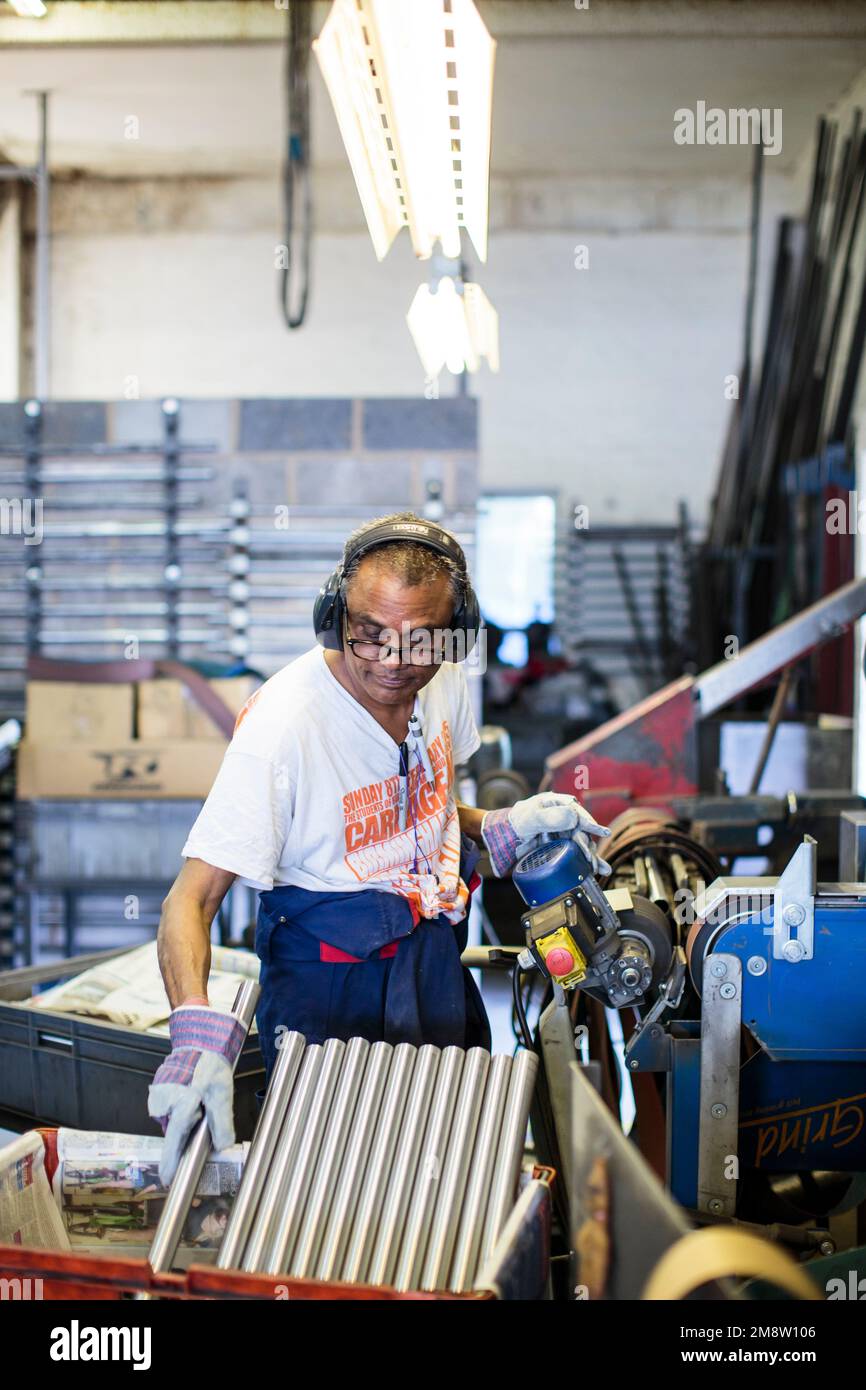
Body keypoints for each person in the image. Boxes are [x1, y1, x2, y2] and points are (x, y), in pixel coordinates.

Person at [148, 513, 607, 1182]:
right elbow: (188, 900)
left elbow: (415, 802)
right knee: (330, 1180)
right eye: (370, 638)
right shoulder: (282, 726)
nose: (394, 664)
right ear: (335, 618)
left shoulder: (445, 680)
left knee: (445, 1168)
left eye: (421, 642)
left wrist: (494, 826)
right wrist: (195, 1033)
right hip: (330, 985)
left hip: (433, 963)